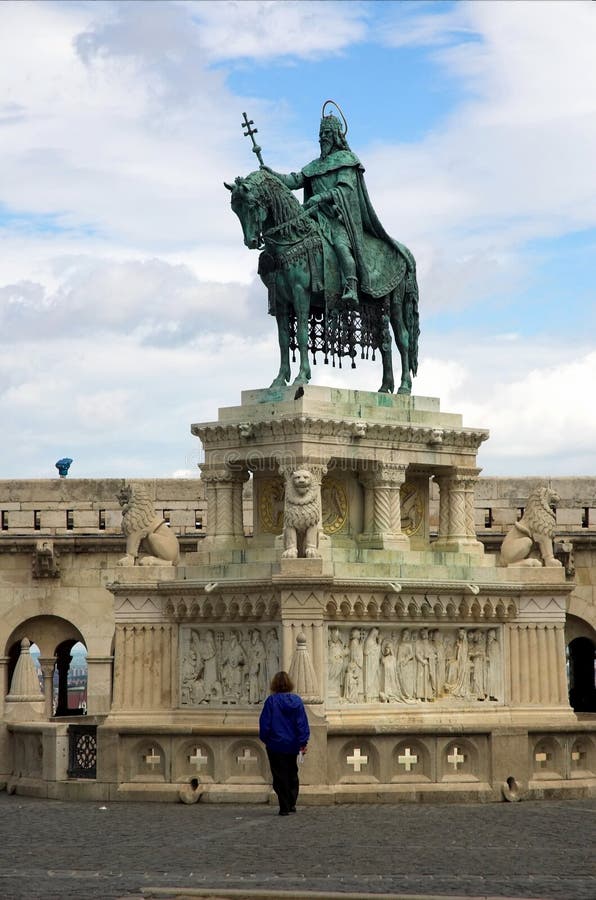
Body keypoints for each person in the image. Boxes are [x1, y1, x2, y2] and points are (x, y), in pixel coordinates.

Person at [264, 110, 417, 312]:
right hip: (314, 218)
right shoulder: (314, 166)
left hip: (338, 219)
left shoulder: (346, 160)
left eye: (326, 134)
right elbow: (293, 180)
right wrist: (272, 175)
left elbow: (345, 189)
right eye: (320, 135)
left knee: (341, 246)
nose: (322, 139)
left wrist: (321, 197)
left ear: (336, 135)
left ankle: (351, 285)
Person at [259, 671, 310, 816]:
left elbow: (265, 724)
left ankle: (284, 805)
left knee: (279, 775)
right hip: (292, 744)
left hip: (275, 744)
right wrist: (303, 741)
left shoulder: (271, 701)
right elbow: (302, 724)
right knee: (292, 773)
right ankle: (291, 802)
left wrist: (266, 739)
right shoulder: (297, 701)